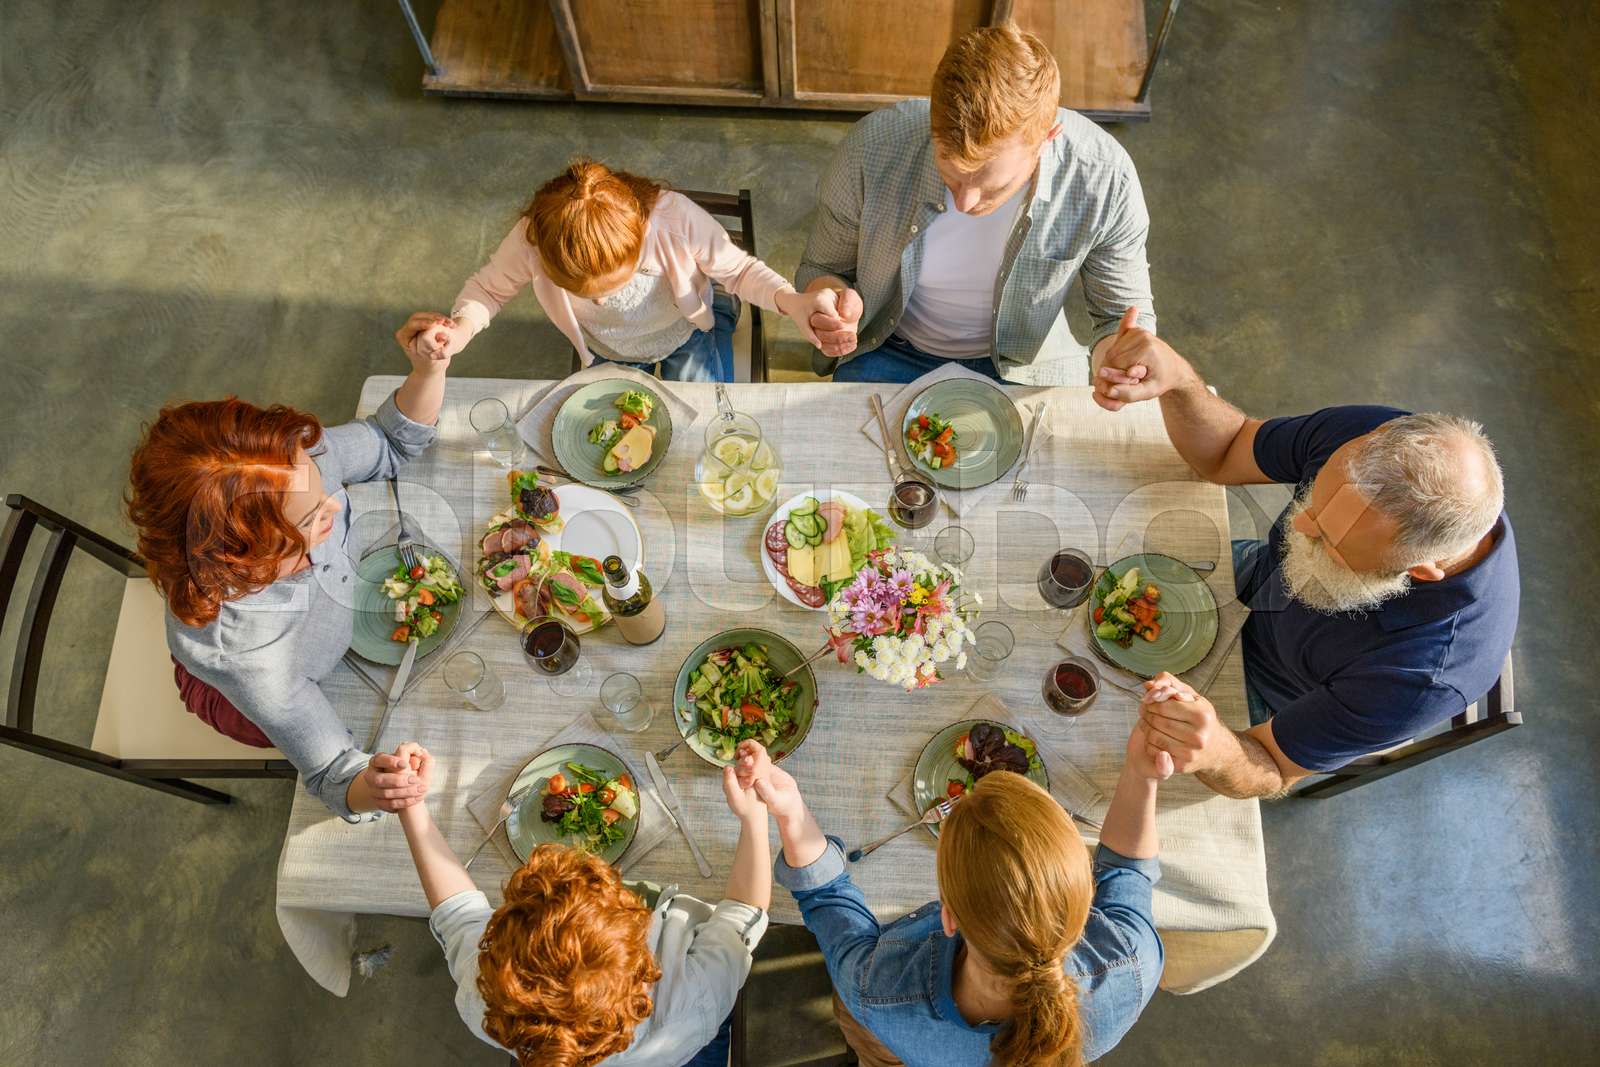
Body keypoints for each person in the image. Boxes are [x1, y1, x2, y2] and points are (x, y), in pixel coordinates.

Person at [1094, 323, 1519, 797]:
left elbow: (1272, 766)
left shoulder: (1419, 678)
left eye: (1327, 543)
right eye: (1311, 502)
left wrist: (1215, 749)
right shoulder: (1377, 441)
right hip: (1254, 581)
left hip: (1266, 700)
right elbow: (1228, 450)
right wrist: (1178, 381)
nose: (1297, 527)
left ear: (1419, 571)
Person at [124, 313, 454, 820]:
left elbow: (388, 442)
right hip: (238, 696)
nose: (338, 507)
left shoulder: (292, 467)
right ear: (249, 555)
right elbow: (331, 773)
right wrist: (377, 785)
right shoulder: (245, 656)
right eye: (313, 517)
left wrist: (428, 370)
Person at [736, 725, 1169, 1066]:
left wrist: (790, 811)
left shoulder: (879, 990)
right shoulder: (1132, 963)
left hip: (902, 1041)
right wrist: (1141, 773)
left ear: (948, 918)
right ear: (1081, 902)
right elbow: (1129, 870)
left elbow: (828, 900)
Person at [794, 24, 1156, 385]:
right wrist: (832, 300)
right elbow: (820, 267)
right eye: (950, 174)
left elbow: (1119, 318)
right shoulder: (870, 150)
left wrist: (1117, 360)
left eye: (991, 186)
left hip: (1024, 361)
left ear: (1047, 138)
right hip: (888, 345)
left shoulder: (1105, 177)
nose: (965, 203)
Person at [397, 743, 772, 1067]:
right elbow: (743, 910)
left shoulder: (485, 997)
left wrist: (411, 806)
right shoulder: (696, 998)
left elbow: (456, 913)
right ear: (640, 956)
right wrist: (754, 816)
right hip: (685, 1048)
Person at [406, 157, 835, 382]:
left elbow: (739, 272)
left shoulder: (672, 219)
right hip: (607, 349)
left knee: (711, 419)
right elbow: (488, 290)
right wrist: (460, 328)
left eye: (611, 285)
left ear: (639, 237)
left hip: (686, 330)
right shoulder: (532, 239)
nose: (597, 300)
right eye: (580, 291)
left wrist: (791, 302)